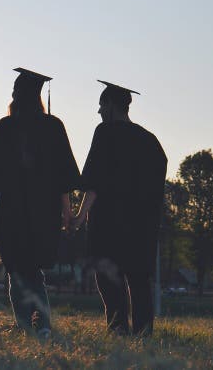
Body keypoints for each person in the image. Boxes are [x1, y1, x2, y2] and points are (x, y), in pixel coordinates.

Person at [0, 68, 79, 338]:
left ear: (15, 96)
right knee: (31, 267)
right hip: (45, 212)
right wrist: (67, 211)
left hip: (13, 212)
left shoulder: (3, 128)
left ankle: (33, 324)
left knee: (19, 267)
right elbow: (64, 177)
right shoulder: (54, 126)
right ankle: (34, 323)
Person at [72, 80, 167, 336]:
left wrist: (80, 216)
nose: (99, 111)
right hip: (142, 225)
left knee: (108, 277)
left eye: (101, 105)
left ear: (112, 105)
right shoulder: (150, 141)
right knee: (138, 279)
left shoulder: (105, 132)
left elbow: (93, 181)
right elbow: (158, 182)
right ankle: (144, 332)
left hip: (108, 222)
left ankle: (118, 329)